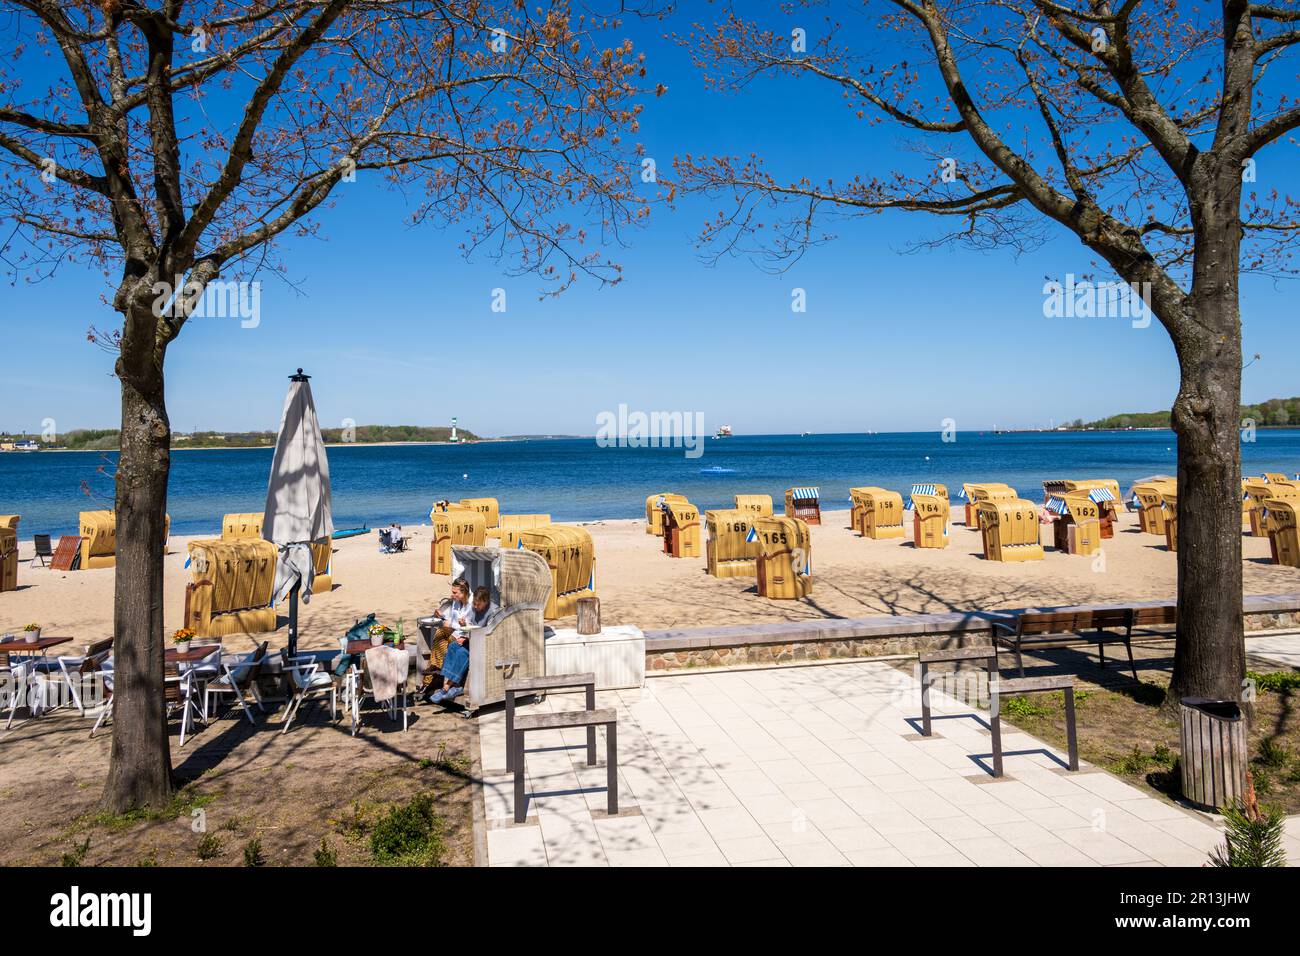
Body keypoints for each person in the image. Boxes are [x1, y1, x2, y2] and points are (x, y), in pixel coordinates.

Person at [430, 585, 498, 705]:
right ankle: (454, 686)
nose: (475, 607)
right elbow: (470, 624)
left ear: (486, 601)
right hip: (472, 639)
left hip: (485, 644)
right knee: (452, 646)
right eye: (474, 604)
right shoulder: (475, 608)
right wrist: (464, 627)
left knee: (462, 652)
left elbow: (491, 633)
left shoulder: (493, 612)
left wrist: (467, 637)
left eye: (478, 605)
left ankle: (446, 687)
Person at [419, 578, 472, 698]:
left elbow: (473, 626)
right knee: (440, 633)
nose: (452, 595)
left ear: (463, 592)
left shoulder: (472, 605)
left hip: (465, 636)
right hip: (455, 631)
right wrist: (442, 617)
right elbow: (452, 619)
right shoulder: (456, 602)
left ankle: (429, 679)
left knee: (444, 642)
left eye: (455, 593)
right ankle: (435, 666)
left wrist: (454, 625)